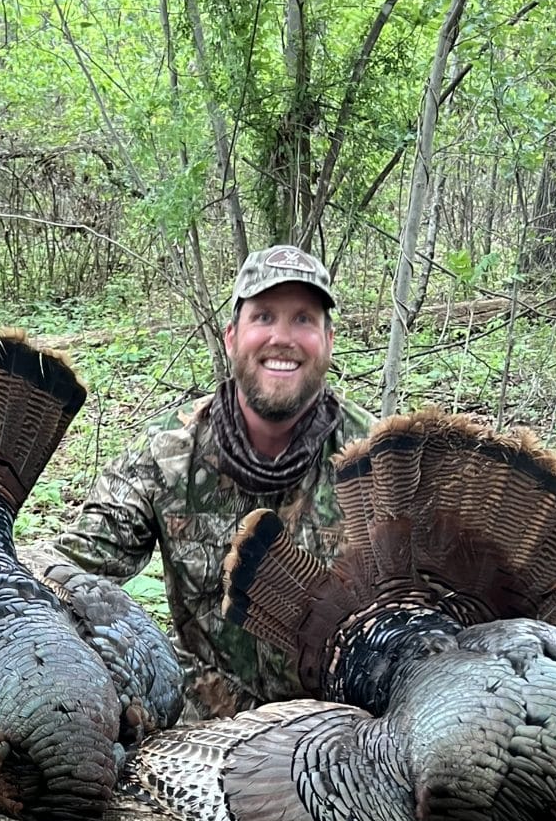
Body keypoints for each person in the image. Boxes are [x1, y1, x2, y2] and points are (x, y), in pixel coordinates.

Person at [51, 245, 374, 716]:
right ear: (231, 336)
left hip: (346, 730)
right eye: (263, 316)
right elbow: (71, 573)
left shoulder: (378, 460)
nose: (282, 337)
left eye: (303, 319)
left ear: (328, 339)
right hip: (198, 731)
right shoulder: (167, 451)